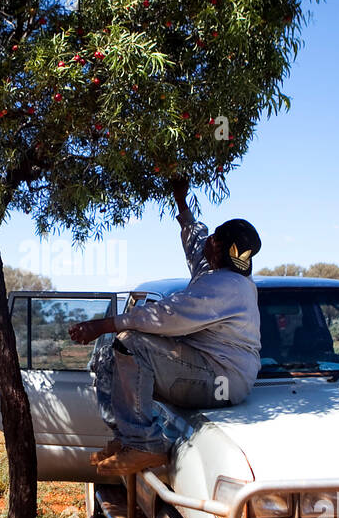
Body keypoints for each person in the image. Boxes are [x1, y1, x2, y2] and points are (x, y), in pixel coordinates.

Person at [68, 182, 262, 474]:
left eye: (214, 238)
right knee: (113, 352)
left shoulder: (225, 287)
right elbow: (195, 244)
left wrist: (103, 324)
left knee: (130, 343)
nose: (207, 241)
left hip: (221, 381)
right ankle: (126, 440)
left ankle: (145, 445)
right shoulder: (221, 272)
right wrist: (181, 202)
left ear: (219, 248)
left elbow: (164, 317)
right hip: (208, 370)